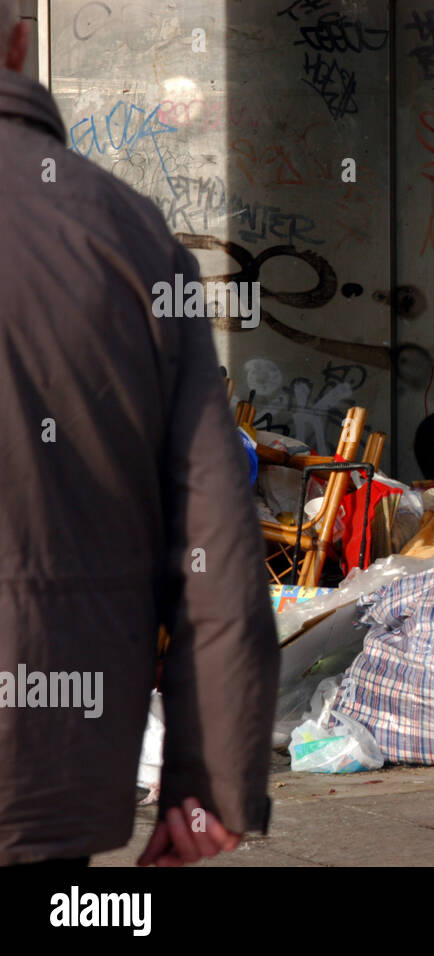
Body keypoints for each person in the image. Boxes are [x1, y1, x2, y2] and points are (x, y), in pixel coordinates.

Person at [0, 7, 278, 865]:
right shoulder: (131, 236)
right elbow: (214, 539)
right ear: (18, 40)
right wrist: (212, 782)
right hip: (44, 767)